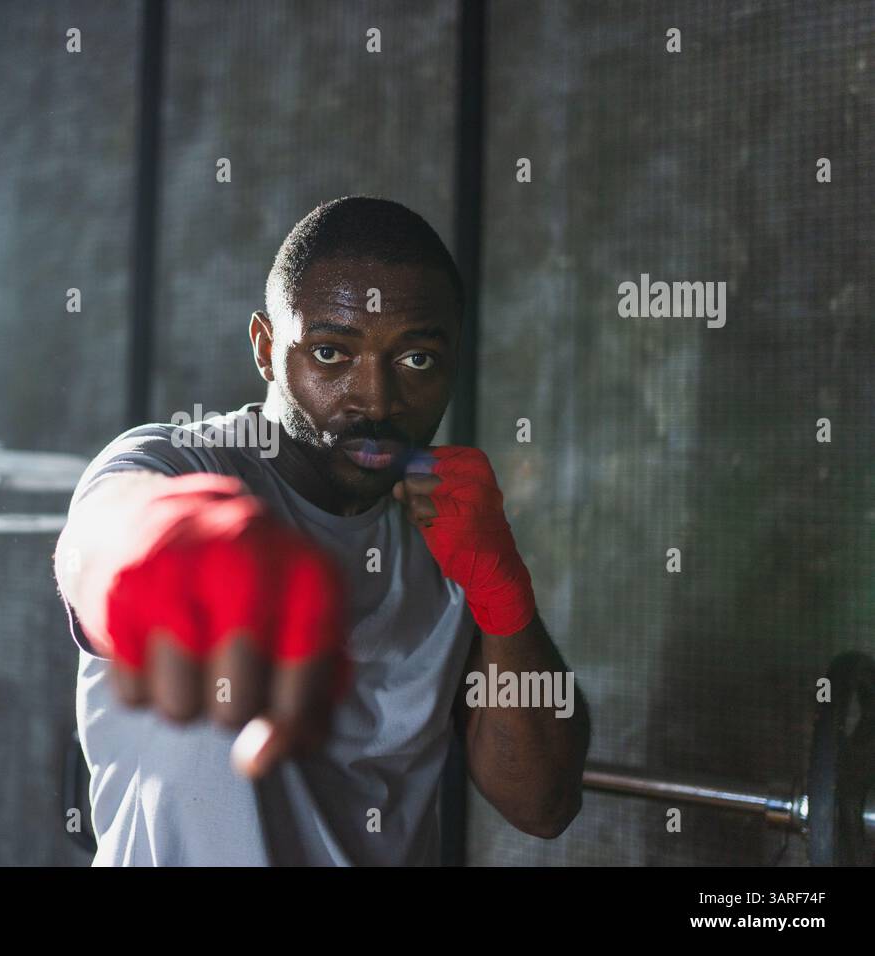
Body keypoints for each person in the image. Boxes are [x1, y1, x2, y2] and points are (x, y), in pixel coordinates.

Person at [53, 196, 590, 865]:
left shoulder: (451, 532)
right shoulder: (184, 464)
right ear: (267, 349)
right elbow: (101, 531)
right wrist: (174, 556)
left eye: (416, 359)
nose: (375, 398)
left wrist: (503, 593)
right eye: (332, 353)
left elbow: (542, 804)